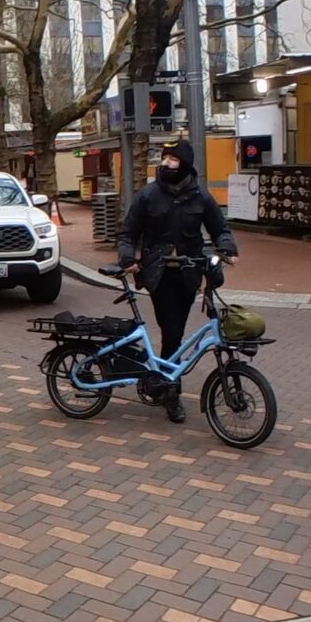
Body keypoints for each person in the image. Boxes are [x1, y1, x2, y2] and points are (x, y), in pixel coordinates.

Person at [118, 139, 238, 424]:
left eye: (172, 159)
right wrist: (128, 259)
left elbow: (220, 228)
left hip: (189, 273)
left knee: (177, 331)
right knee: (171, 331)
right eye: (164, 158)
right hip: (159, 275)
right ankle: (171, 395)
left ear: (185, 163)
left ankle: (162, 378)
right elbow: (128, 233)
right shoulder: (148, 195)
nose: (166, 163)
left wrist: (228, 248)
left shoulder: (200, 197)